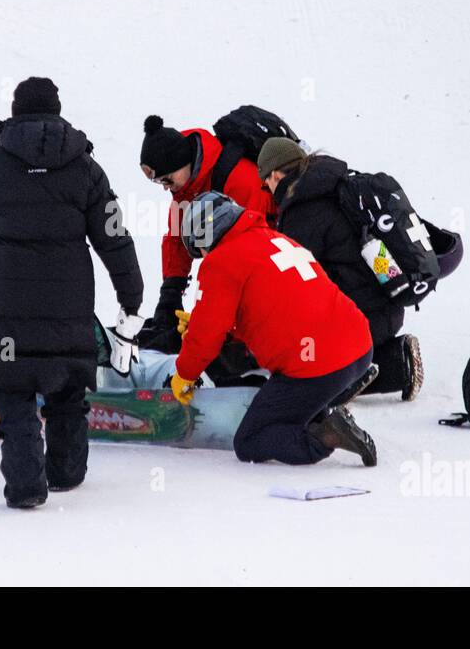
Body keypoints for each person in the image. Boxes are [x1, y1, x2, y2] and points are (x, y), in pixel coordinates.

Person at [0, 77, 145, 509]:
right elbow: (114, 237)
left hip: (4, 303)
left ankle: (24, 485)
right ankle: (66, 472)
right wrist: (131, 299)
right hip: (68, 304)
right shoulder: (87, 170)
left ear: (15, 112)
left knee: (12, 386)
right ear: (57, 112)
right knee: (67, 385)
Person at [169, 192, 379, 466]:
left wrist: (185, 373)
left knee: (250, 440)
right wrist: (207, 325)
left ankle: (327, 435)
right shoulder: (276, 239)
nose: (203, 257)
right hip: (360, 347)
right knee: (294, 400)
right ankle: (323, 409)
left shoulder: (221, 261)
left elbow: (207, 336)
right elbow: (272, 309)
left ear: (207, 235)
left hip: (319, 366)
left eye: (200, 249)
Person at [256, 138, 426, 400]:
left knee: (307, 382)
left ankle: (377, 370)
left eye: (266, 183)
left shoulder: (304, 211)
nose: (267, 191)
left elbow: (290, 283)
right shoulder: (334, 186)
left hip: (361, 322)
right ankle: (396, 358)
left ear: (276, 174)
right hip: (386, 307)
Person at [138, 113, 277, 352]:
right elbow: (177, 239)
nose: (165, 188)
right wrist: (171, 291)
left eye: (167, 180)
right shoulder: (185, 187)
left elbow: (255, 250)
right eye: (160, 182)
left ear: (181, 163)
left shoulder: (240, 180)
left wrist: (223, 321)